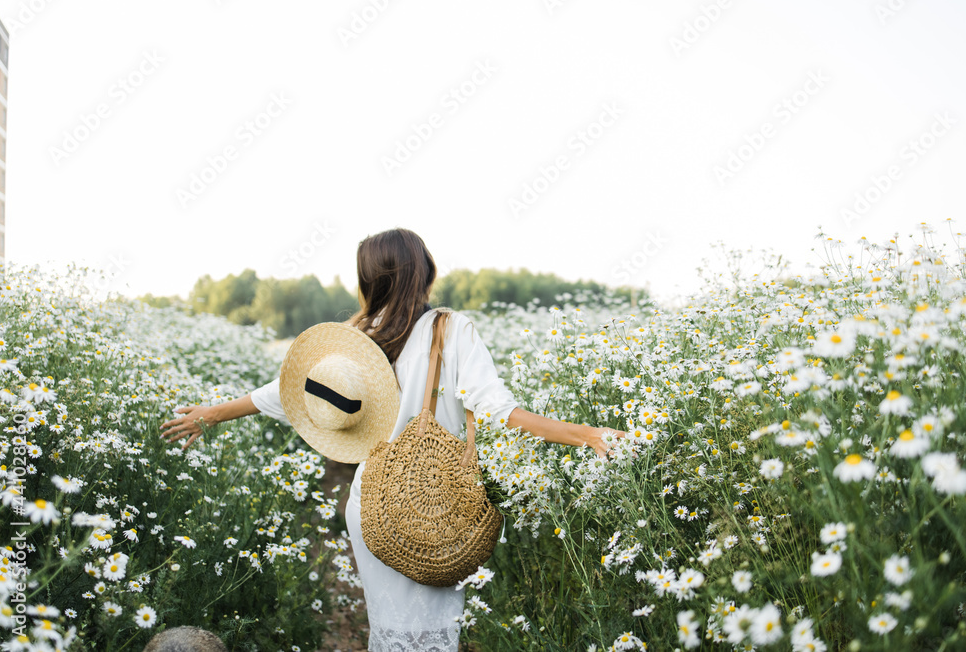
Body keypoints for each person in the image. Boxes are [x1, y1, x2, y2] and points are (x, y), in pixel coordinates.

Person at [159, 227, 623, 651]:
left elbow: (287, 390)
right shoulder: (450, 327)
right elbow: (498, 410)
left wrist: (211, 415)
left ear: (369, 280)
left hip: (375, 504)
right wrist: (587, 435)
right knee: (433, 637)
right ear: (425, 270)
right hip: (437, 503)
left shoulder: (357, 336)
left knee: (389, 632)